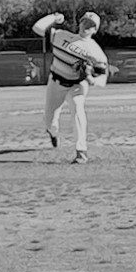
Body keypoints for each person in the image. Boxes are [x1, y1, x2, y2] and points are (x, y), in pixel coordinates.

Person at [35, 10, 109, 165]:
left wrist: (91, 79)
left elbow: (102, 78)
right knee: (49, 122)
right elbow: (38, 28)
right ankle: (53, 133)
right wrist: (54, 17)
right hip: (56, 82)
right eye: (85, 22)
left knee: (78, 110)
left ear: (95, 30)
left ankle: (81, 152)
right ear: (80, 23)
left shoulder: (96, 51)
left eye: (91, 25)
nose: (86, 26)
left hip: (77, 84)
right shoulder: (61, 35)